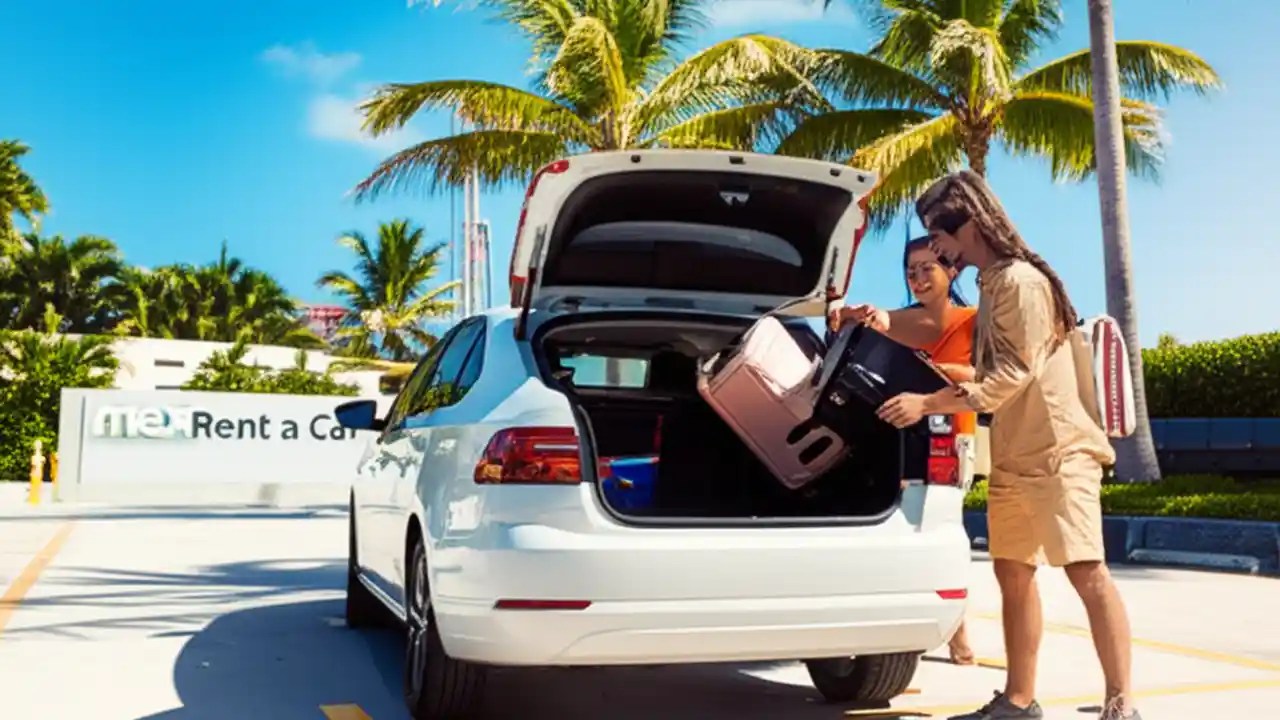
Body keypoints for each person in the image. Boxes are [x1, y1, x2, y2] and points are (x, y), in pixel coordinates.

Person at [875, 170, 1139, 720]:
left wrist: (926, 404)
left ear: (966, 223)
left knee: (1087, 573)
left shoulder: (1020, 281)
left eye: (938, 235)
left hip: (1059, 453)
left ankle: (1122, 704)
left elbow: (1010, 377)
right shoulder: (994, 284)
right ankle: (1019, 702)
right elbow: (988, 368)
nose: (936, 248)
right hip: (1017, 454)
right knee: (1012, 572)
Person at [829, 235, 979, 666]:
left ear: (951, 270)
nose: (917, 278)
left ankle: (958, 629)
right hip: (897, 434)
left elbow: (983, 375)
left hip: (949, 437)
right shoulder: (897, 321)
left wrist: (926, 372)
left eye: (927, 268)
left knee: (939, 527)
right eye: (910, 271)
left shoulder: (970, 320)